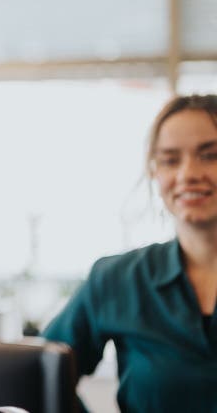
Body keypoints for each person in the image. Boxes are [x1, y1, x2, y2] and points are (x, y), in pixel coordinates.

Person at [43, 94, 217, 412]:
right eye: (170, 160)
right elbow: (37, 374)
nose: (188, 174)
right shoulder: (117, 279)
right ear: (154, 171)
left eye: (211, 155)